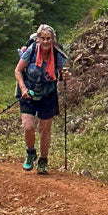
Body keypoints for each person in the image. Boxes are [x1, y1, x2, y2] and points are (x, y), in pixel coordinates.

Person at [15, 23, 67, 175]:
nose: (45, 42)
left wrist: (65, 76)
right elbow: (18, 70)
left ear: (53, 39)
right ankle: (31, 152)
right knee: (28, 126)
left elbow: (61, 74)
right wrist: (23, 89)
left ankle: (43, 160)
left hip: (48, 94)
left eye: (48, 39)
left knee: (44, 129)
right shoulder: (30, 52)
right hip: (28, 93)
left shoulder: (57, 54)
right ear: (38, 39)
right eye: (42, 38)